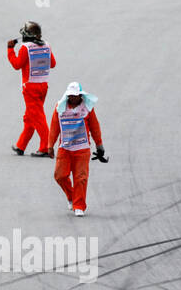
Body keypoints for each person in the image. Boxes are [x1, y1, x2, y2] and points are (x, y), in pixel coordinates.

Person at [46, 82, 106, 217]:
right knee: (60, 176)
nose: (73, 98)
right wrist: (50, 145)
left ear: (80, 95)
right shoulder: (60, 108)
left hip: (82, 149)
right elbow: (54, 127)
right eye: (71, 96)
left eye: (76, 95)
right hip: (65, 149)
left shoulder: (87, 109)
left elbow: (95, 127)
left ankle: (79, 206)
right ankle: (71, 196)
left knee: (81, 178)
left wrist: (99, 144)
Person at [6, 21, 56, 156]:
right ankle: (21, 146)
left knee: (38, 118)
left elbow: (17, 65)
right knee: (30, 117)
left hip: (30, 88)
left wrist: (10, 50)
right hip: (43, 86)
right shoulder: (46, 45)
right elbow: (53, 64)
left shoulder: (25, 48)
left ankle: (46, 147)